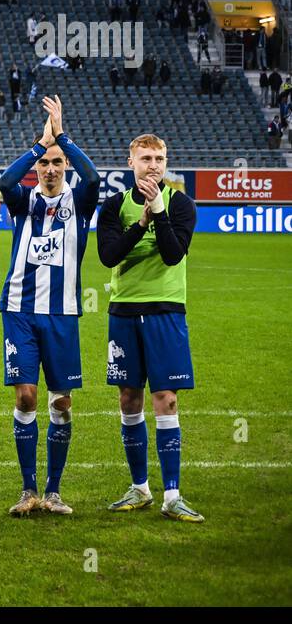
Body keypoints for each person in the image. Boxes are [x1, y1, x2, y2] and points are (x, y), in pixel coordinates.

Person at [0, 96, 100, 517]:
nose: (51, 169)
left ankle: (53, 491)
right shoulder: (24, 202)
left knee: (61, 402)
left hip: (62, 312)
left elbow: (92, 176)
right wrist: (40, 145)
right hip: (20, 310)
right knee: (25, 398)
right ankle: (28, 490)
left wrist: (63, 138)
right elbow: (5, 183)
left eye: (58, 163)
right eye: (45, 164)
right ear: (37, 168)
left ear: (66, 167)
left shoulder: (82, 202)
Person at [97, 134, 203, 523]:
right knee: (129, 400)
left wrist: (157, 210)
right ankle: (140, 487)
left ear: (166, 161)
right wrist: (142, 222)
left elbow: (174, 255)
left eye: (159, 158)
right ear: (131, 162)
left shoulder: (182, 205)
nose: (153, 165)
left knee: (167, 400)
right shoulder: (113, 207)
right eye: (146, 158)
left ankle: (172, 494)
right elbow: (109, 255)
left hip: (166, 311)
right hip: (124, 311)